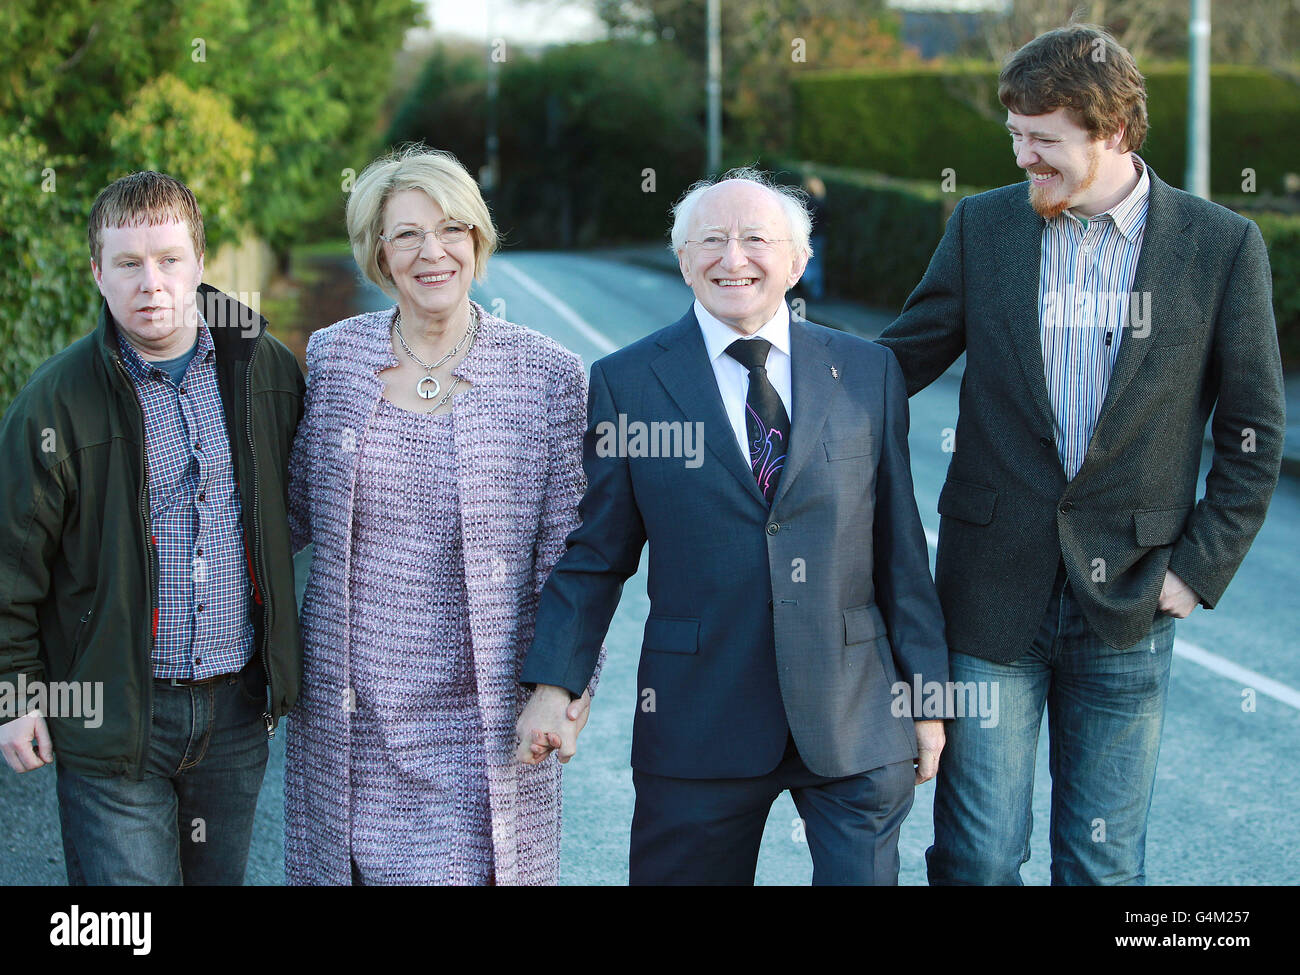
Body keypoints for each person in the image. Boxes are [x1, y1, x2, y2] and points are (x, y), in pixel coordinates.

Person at [875, 24, 1285, 885]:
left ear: (1115, 132)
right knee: (977, 857)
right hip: (988, 595)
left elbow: (1254, 434)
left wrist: (1197, 569)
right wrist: (774, 365)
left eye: (1045, 141)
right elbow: (899, 359)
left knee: (1101, 861)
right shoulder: (984, 228)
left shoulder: (1220, 246)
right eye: (1016, 136)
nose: (1026, 157)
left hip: (1132, 598)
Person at [515, 167, 948, 885]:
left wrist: (928, 698)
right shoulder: (628, 382)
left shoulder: (869, 371)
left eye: (755, 239)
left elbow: (900, 553)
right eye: (710, 240)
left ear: (798, 260)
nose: (733, 258)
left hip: (853, 715)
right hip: (698, 719)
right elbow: (598, 551)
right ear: (683, 259)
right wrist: (553, 685)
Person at [284, 146, 600, 886]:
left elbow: (574, 554)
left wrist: (560, 688)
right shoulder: (334, 358)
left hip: (482, 718)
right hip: (350, 714)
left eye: (452, 228)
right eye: (407, 234)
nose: (434, 251)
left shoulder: (546, 375)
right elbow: (290, 512)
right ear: (379, 254)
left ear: (478, 240)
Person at [0, 171, 305, 885]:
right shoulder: (53, 404)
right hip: (114, 715)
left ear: (199, 262)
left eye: (169, 260)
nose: (151, 283)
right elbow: (11, 568)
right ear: (97, 272)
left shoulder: (264, 365)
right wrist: (15, 698)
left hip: (235, 712)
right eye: (128, 263)